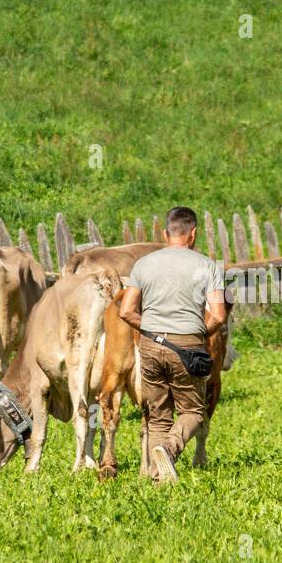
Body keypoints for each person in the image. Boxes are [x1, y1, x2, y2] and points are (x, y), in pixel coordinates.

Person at [119, 207, 227, 483]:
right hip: (188, 344)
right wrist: (196, 334)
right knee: (193, 411)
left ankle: (159, 480)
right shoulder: (208, 266)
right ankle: (169, 448)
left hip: (150, 344)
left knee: (158, 416)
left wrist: (154, 333)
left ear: (165, 233)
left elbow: (126, 311)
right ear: (193, 234)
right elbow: (218, 315)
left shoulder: (143, 264)